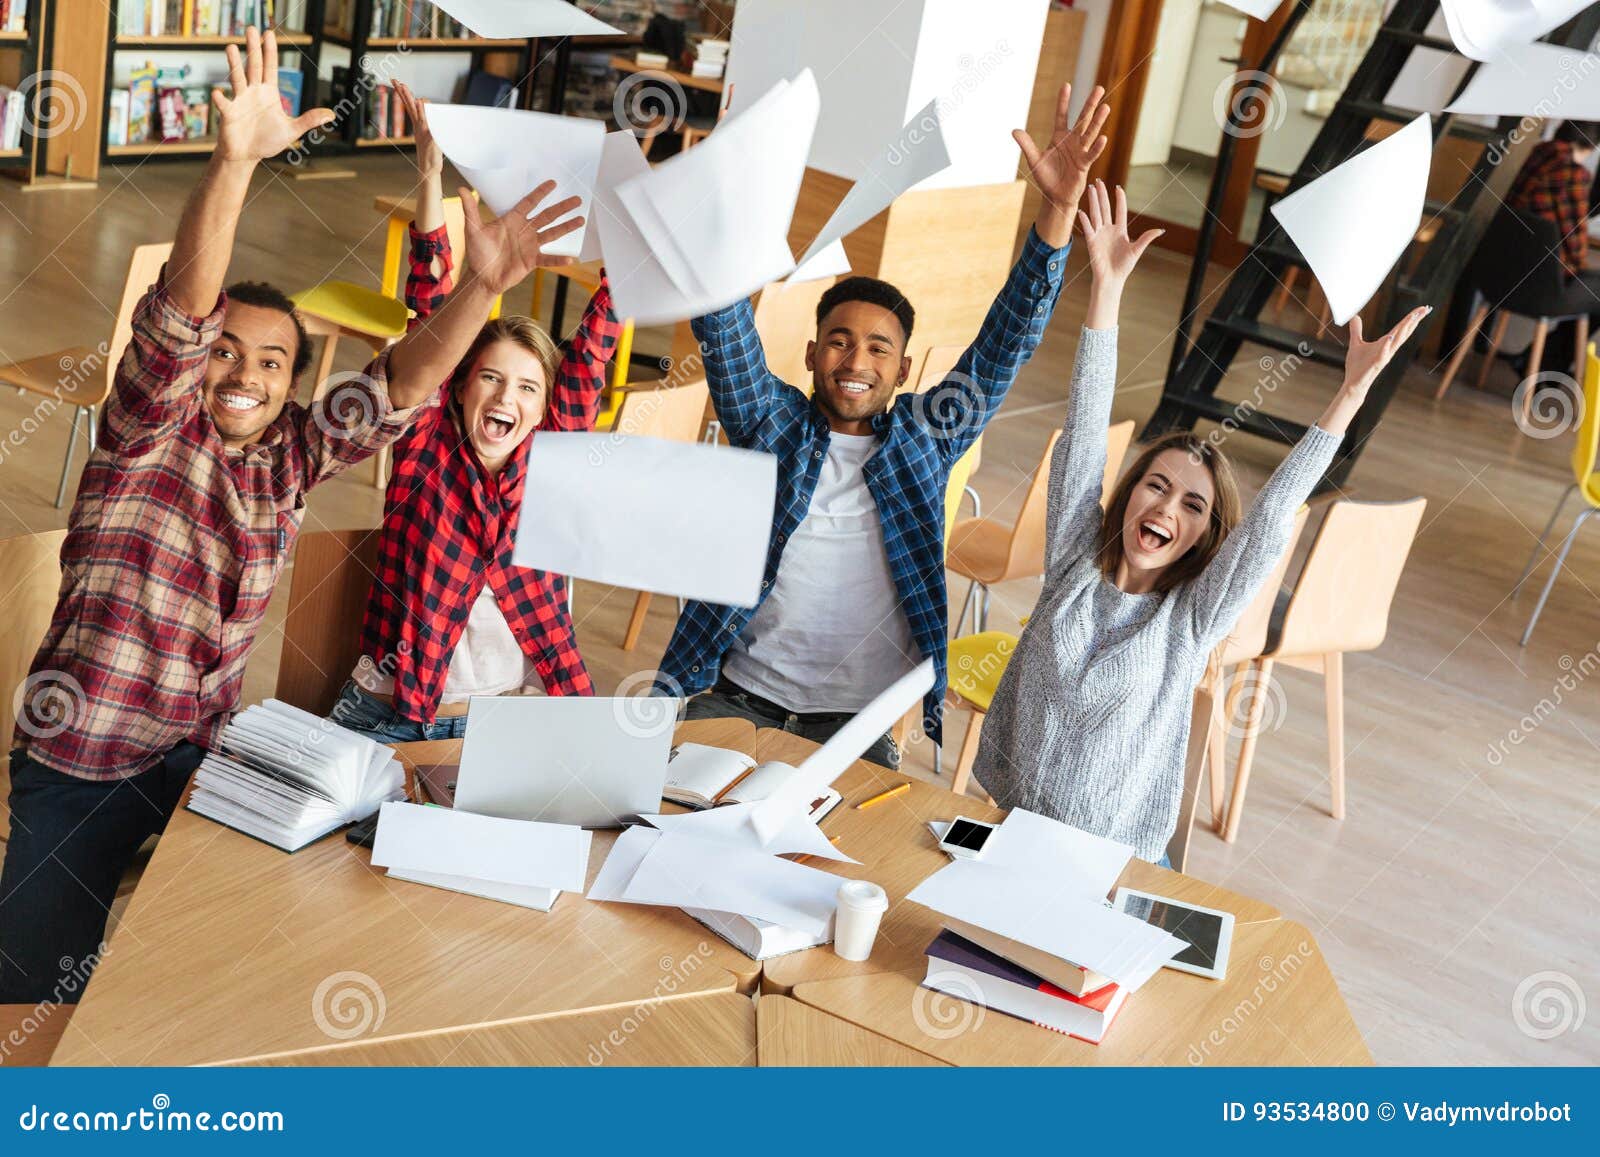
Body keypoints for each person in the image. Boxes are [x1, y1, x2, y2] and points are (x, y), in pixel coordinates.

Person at [0, 30, 585, 1003]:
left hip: (202, 760)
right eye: (228, 353)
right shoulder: (148, 428)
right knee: (29, 1000)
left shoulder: (292, 455)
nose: (245, 373)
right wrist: (233, 165)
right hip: (84, 756)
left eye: (273, 361)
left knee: (223, 973)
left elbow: (403, 380)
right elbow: (180, 314)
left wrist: (481, 286)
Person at [971, 180, 1431, 865]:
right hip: (1011, 834)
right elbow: (1087, 432)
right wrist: (1106, 290)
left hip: (1111, 864)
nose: (1164, 508)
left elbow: (1273, 518)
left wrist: (1351, 393)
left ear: (1206, 536)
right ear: (1128, 496)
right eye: (1155, 486)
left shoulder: (1189, 619)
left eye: (1192, 505)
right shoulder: (1072, 562)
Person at [656, 84, 1111, 769]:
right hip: (734, 699)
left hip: (853, 727)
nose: (855, 361)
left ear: (902, 370)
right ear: (811, 355)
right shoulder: (768, 420)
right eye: (838, 341)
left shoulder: (930, 435)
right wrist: (718, 192)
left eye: (878, 349)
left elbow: (1006, 340)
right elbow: (721, 322)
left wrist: (1057, 209)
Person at [328, 83, 621, 744]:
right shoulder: (425, 443)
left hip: (506, 725)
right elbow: (430, 308)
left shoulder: (552, 461)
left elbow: (598, 342)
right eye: (489, 377)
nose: (505, 399)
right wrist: (430, 176)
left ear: (547, 407)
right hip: (392, 714)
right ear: (459, 388)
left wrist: (634, 215)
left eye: (526, 388)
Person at [1504, 119, 1598, 375]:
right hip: (1539, 285)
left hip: (1501, 274)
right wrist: (1581, 267)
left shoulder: (1536, 155)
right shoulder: (1572, 173)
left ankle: (1534, 361)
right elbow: (1575, 241)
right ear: (1591, 144)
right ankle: (1541, 366)